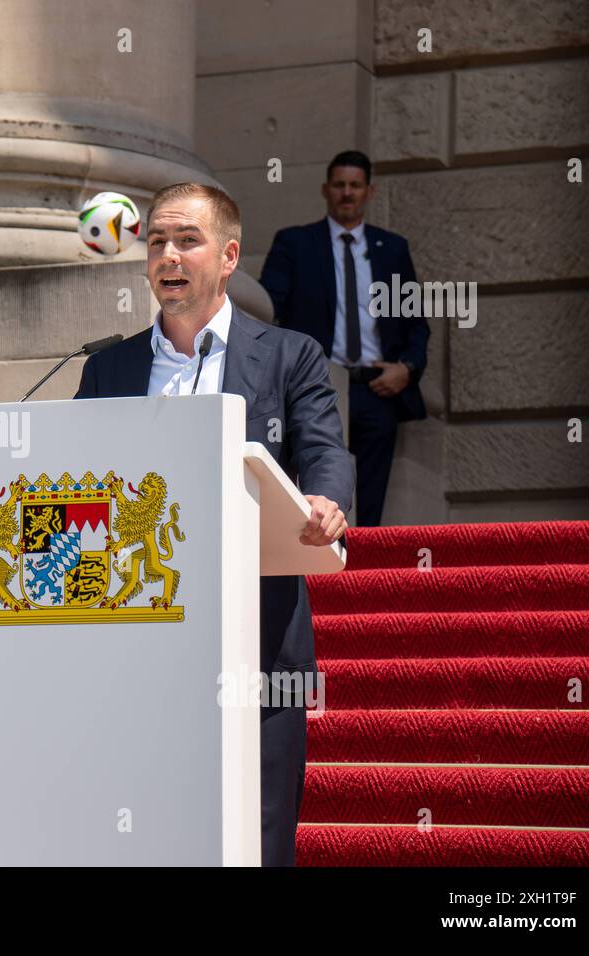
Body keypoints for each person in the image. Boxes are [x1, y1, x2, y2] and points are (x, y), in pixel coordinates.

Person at [74, 182, 352, 866]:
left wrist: (324, 501)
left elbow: (321, 449)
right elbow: (71, 482)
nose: (168, 255)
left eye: (187, 241)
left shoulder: (290, 356)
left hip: (255, 631)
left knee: (260, 822)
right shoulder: (107, 368)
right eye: (157, 241)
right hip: (133, 636)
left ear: (228, 257)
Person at [259, 149, 429, 527]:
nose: (347, 193)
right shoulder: (295, 244)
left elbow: (416, 323)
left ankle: (362, 568)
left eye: (355, 186)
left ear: (370, 191)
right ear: (326, 189)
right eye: (340, 185)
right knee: (312, 477)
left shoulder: (393, 249)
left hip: (377, 387)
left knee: (371, 497)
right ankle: (313, 557)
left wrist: (408, 368)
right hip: (315, 384)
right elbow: (267, 311)